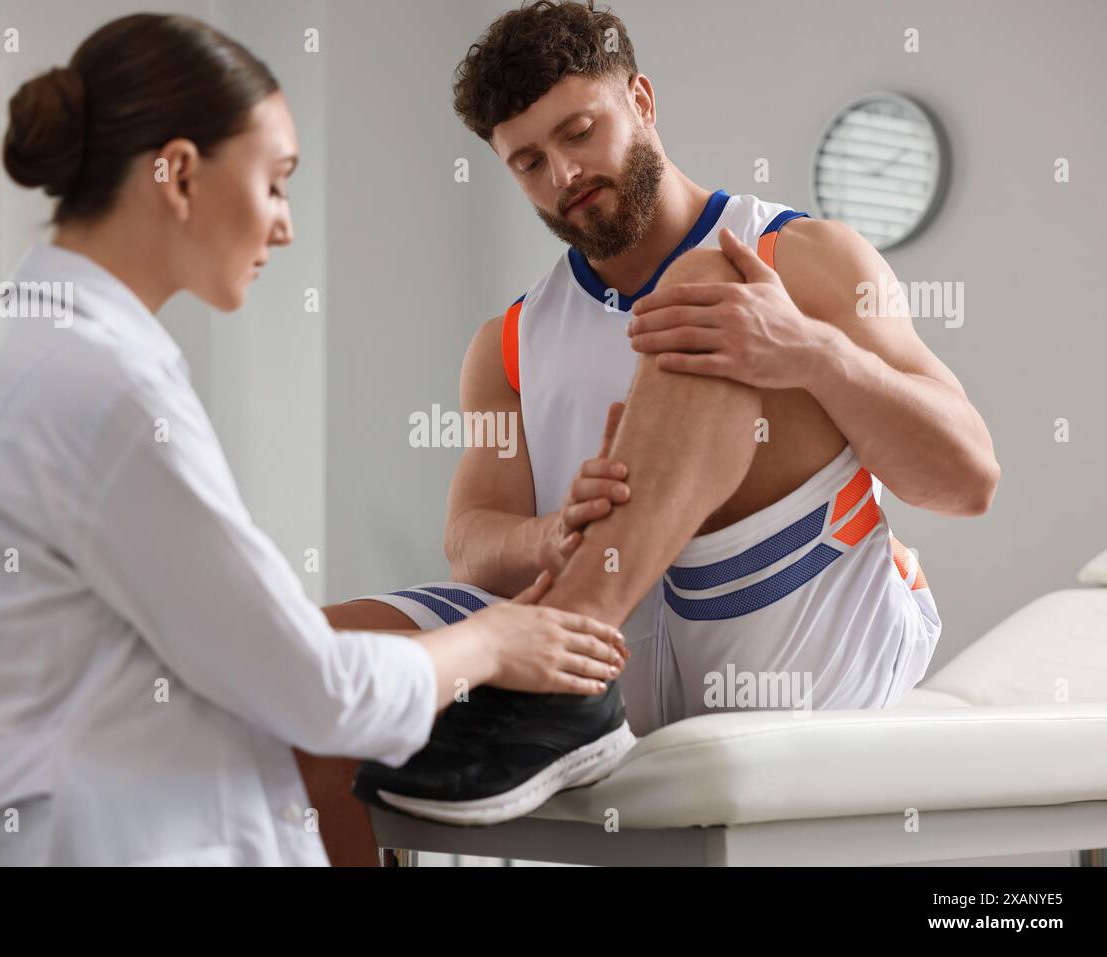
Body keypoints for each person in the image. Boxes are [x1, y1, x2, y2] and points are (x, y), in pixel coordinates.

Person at [0, 12, 628, 867]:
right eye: (275, 182)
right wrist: (495, 642)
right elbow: (315, 690)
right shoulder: (104, 390)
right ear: (181, 175)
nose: (285, 225)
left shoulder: (1, 370)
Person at [315, 0, 998, 847]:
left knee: (710, 287)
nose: (562, 174)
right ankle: (565, 670)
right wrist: (551, 533)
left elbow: (969, 479)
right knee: (313, 660)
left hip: (789, 624)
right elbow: (470, 540)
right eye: (528, 161)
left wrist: (814, 353)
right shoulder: (508, 344)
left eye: (580, 132)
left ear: (640, 99)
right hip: (618, 665)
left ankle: (558, 674)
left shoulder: (801, 258)